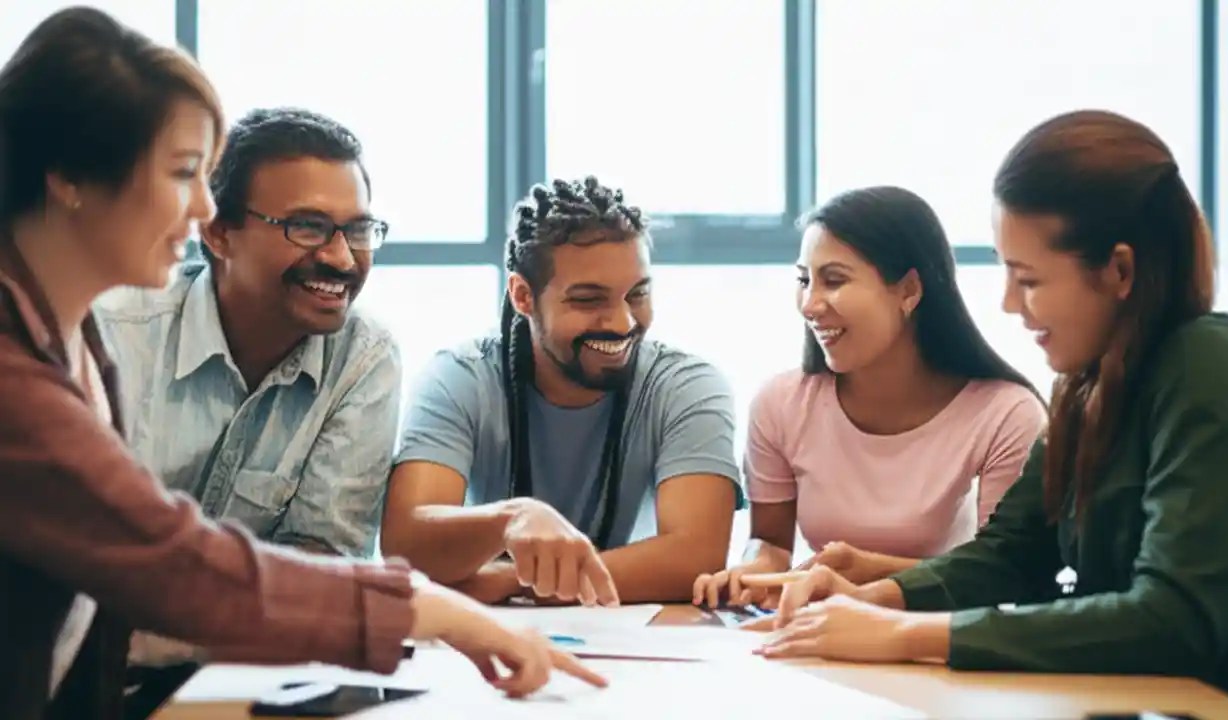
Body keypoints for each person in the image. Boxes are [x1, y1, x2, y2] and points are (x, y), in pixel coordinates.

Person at [0, 9, 601, 718]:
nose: (200, 208)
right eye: (184, 173)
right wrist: (428, 608)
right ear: (70, 175)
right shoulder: (18, 376)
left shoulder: (73, 344)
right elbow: (163, 558)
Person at [740, 110, 1228, 715]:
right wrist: (879, 598)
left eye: (1027, 280)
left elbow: (1175, 619)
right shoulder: (1089, 387)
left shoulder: (1207, 365)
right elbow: (1012, 553)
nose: (1007, 303)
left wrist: (904, 634)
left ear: (1119, 271)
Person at [382, 176, 742, 605]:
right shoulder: (460, 377)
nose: (623, 323)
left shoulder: (687, 386)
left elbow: (696, 557)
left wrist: (516, 580)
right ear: (522, 296)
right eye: (590, 300)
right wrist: (512, 519)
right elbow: (405, 543)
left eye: (638, 294)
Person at [692, 186, 1044, 610]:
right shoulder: (780, 404)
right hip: (823, 633)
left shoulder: (1006, 414)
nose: (809, 304)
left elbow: (1003, 575)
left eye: (834, 280)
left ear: (909, 291)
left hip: (937, 634)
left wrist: (869, 570)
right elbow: (770, 543)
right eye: (804, 280)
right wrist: (750, 570)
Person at [97, 107, 398, 559]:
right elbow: (83, 545)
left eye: (356, 230)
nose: (342, 259)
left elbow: (327, 561)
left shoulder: (362, 358)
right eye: (308, 228)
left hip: (253, 627)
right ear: (218, 234)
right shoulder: (116, 336)